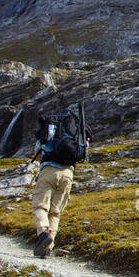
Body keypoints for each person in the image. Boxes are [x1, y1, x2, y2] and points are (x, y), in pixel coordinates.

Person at [27, 105, 89, 258]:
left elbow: (37, 154)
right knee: (56, 212)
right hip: (68, 173)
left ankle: (43, 233)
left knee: (40, 206)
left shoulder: (50, 128)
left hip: (49, 170)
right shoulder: (77, 131)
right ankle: (48, 247)